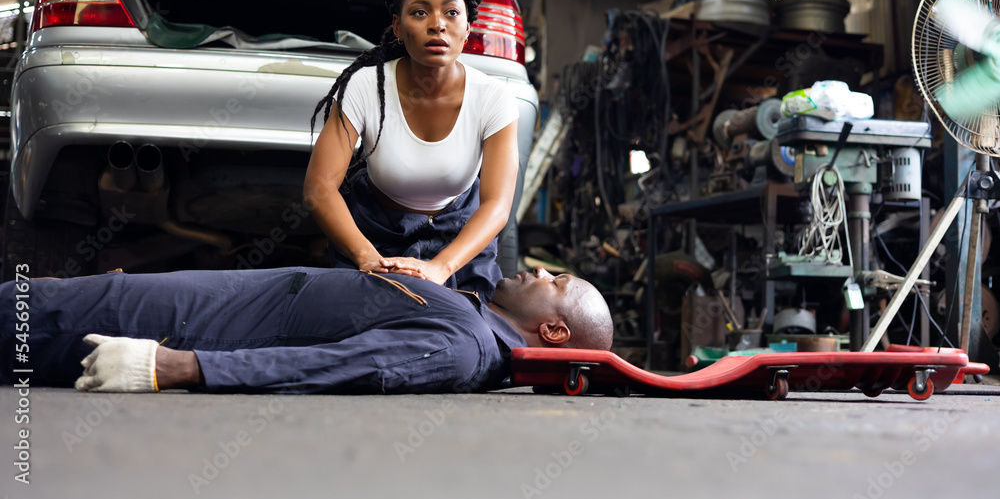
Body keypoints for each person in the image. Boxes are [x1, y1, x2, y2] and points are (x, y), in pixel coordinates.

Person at [0, 267, 611, 394]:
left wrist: (174, 366)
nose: (539, 270)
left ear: (554, 330)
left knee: (24, 313)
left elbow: (347, 365)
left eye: (554, 280)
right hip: (213, 301)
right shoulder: (480, 322)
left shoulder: (465, 347)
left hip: (200, 326)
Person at [304, 0, 519, 302]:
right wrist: (366, 256)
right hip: (376, 230)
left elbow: (496, 205)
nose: (437, 25)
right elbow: (319, 187)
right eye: (420, 13)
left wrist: (441, 268)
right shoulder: (365, 87)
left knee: (469, 329)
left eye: (451, 13)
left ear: (467, 27)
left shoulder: (494, 99)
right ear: (398, 27)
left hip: (458, 236)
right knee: (361, 321)